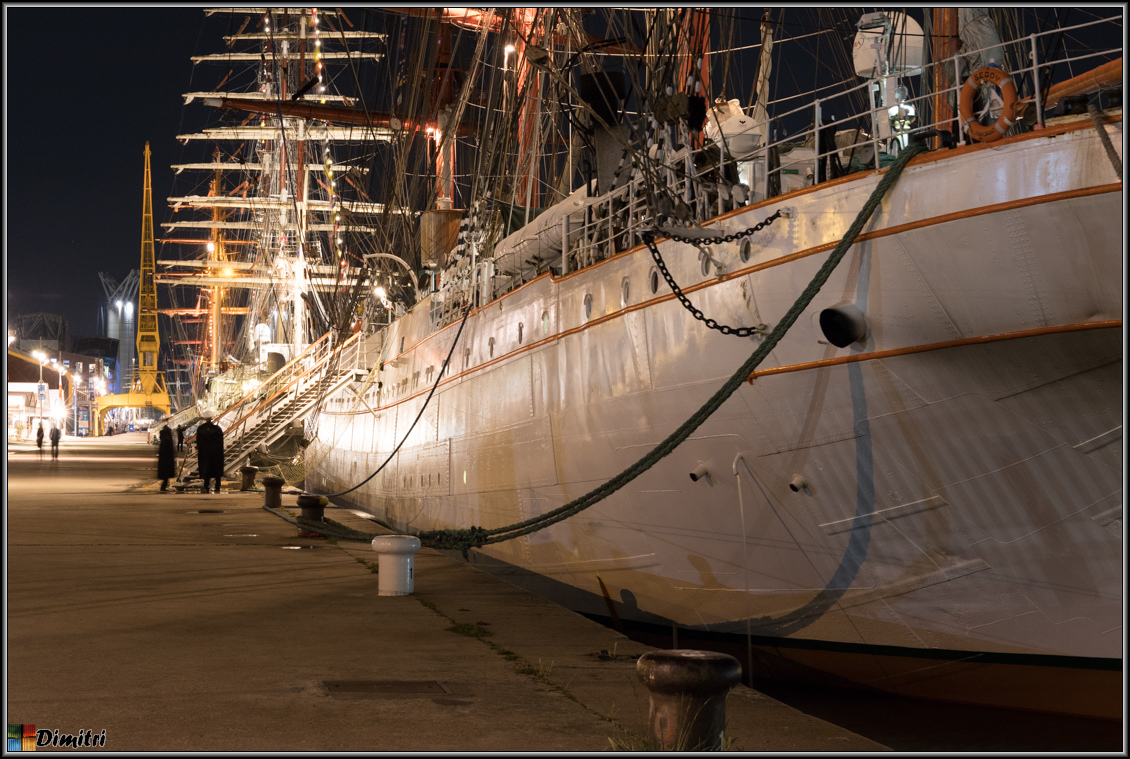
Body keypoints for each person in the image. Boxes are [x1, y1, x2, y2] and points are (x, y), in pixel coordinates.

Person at [195, 411, 225, 494]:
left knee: (206, 469)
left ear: (204, 418)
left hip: (205, 454)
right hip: (216, 453)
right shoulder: (217, 429)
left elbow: (198, 442)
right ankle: (217, 486)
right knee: (217, 470)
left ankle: (206, 486)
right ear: (212, 418)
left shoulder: (200, 429)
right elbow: (221, 442)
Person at [157, 421, 176, 491]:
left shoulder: (163, 438)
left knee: (165, 473)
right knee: (166, 473)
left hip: (163, 459)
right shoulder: (168, 438)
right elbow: (170, 449)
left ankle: (164, 485)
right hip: (167, 459)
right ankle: (164, 486)